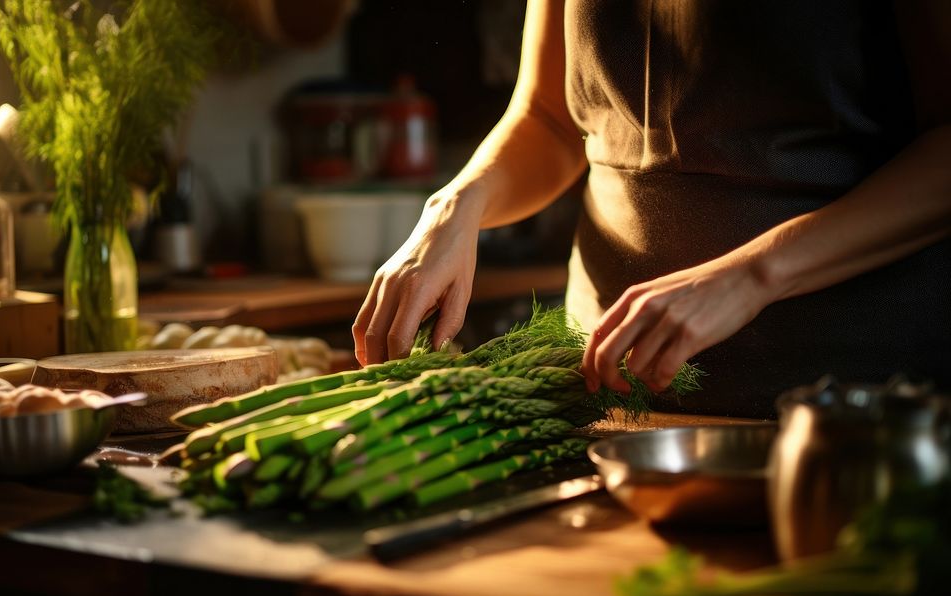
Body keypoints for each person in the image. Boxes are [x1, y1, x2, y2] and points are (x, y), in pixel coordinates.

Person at [352, 0, 951, 418]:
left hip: (845, 405)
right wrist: (458, 202)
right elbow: (550, 120)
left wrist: (755, 273)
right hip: (595, 393)